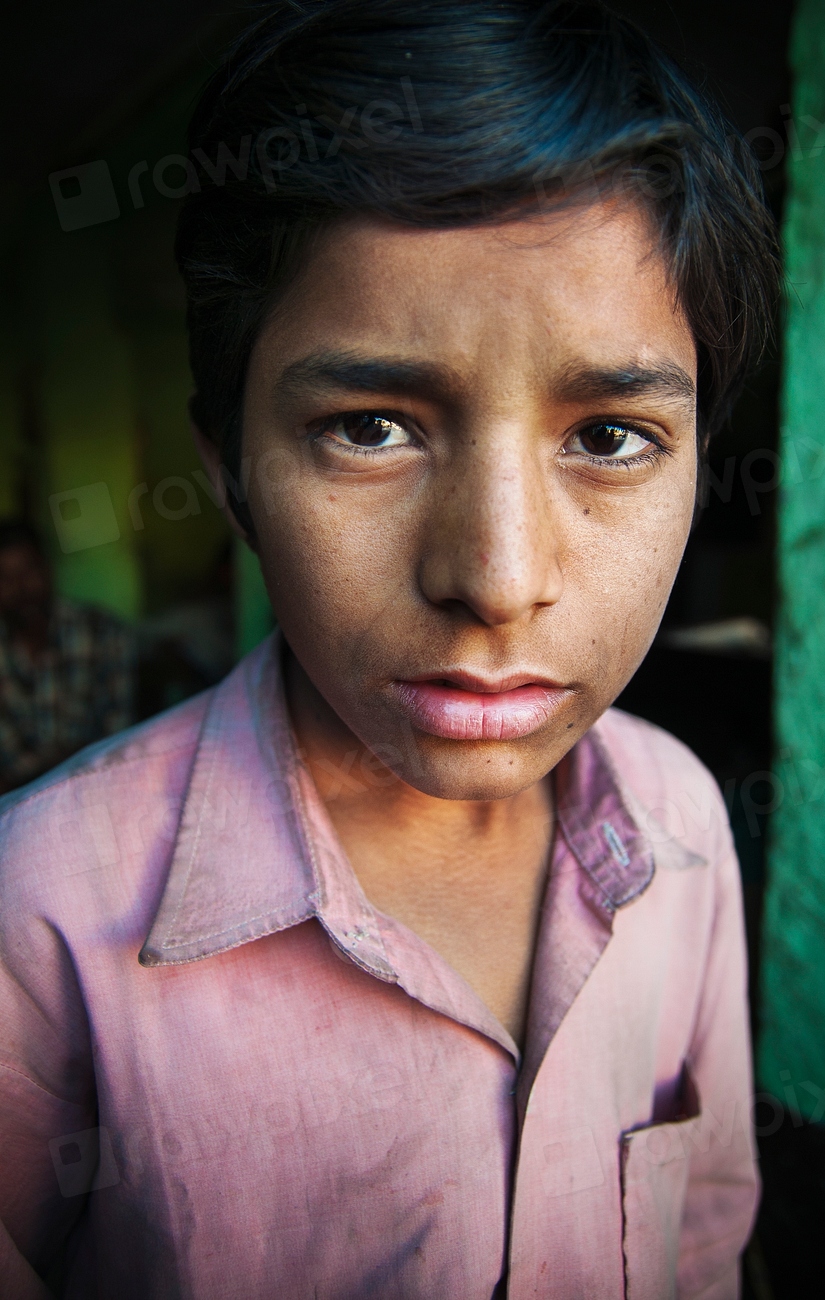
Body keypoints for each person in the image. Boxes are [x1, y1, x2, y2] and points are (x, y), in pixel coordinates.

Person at [0, 3, 779, 1296]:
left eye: (609, 438)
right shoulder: (39, 915)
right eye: (369, 428)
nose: (495, 578)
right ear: (232, 474)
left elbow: (708, 1237)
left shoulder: (683, 829)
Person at [0, 521, 135, 795]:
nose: (21, 587)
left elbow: (119, 737)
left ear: (48, 569)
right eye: (4, 578)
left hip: (97, 793)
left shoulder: (103, 633)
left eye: (29, 571)